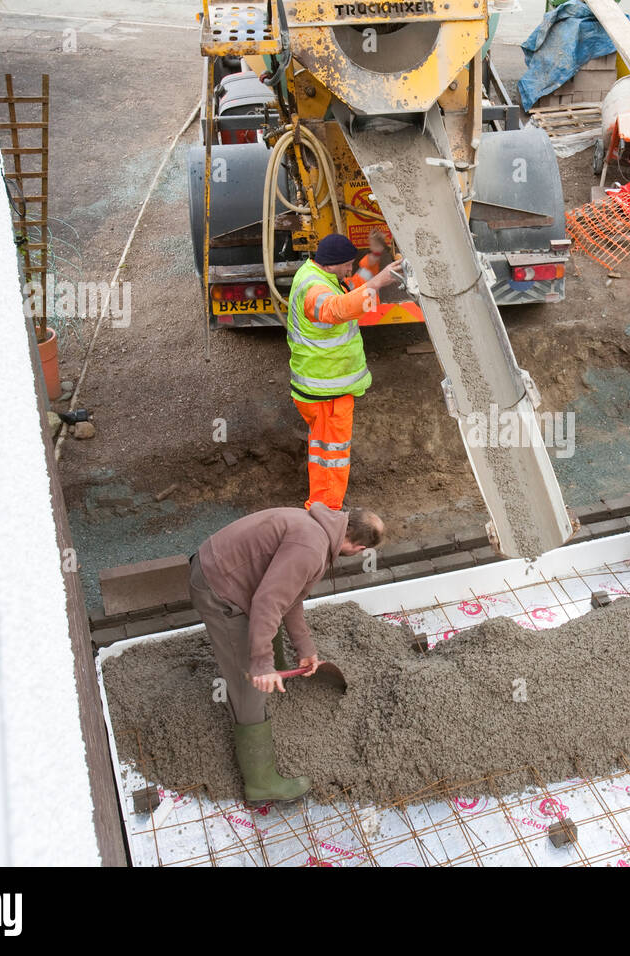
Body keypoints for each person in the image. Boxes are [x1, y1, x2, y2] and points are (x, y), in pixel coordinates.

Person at [188, 505, 385, 803]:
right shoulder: (310, 549)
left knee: (267, 625)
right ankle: (260, 782)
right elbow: (267, 602)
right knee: (248, 684)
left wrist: (305, 648)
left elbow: (288, 599)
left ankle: (276, 669)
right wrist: (261, 664)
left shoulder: (318, 526)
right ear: (358, 548)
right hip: (219, 588)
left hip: (222, 566)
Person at [287, 233, 404, 510]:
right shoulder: (314, 289)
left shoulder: (319, 274)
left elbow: (352, 287)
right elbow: (337, 309)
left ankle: (322, 509)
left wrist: (374, 258)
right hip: (326, 393)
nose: (349, 270)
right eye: (346, 265)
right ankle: (326, 515)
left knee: (323, 456)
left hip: (323, 390)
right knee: (332, 459)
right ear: (330, 265)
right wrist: (380, 282)